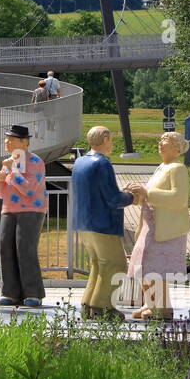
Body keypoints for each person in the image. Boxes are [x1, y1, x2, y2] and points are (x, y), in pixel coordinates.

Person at [71, 126, 143, 317]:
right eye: (110, 140)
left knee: (98, 264)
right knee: (114, 264)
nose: (111, 144)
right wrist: (130, 196)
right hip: (103, 223)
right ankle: (103, 307)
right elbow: (112, 198)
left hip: (84, 223)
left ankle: (88, 304)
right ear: (104, 140)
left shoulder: (80, 161)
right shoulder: (102, 163)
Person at [126, 132, 190, 320]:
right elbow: (151, 196)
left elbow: (179, 199)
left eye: (167, 142)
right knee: (143, 266)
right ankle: (152, 303)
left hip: (165, 229)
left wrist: (147, 193)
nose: (161, 144)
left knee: (155, 268)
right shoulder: (162, 167)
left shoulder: (177, 168)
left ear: (178, 148)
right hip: (150, 225)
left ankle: (161, 308)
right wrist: (137, 195)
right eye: (161, 141)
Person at [0, 124, 48, 307]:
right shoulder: (9, 162)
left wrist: (12, 171)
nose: (7, 143)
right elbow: (0, 194)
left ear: (24, 143)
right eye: (6, 139)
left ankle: (32, 293)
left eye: (11, 139)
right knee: (5, 248)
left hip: (32, 209)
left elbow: (29, 189)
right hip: (9, 209)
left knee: (25, 249)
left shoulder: (35, 162)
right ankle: (10, 292)